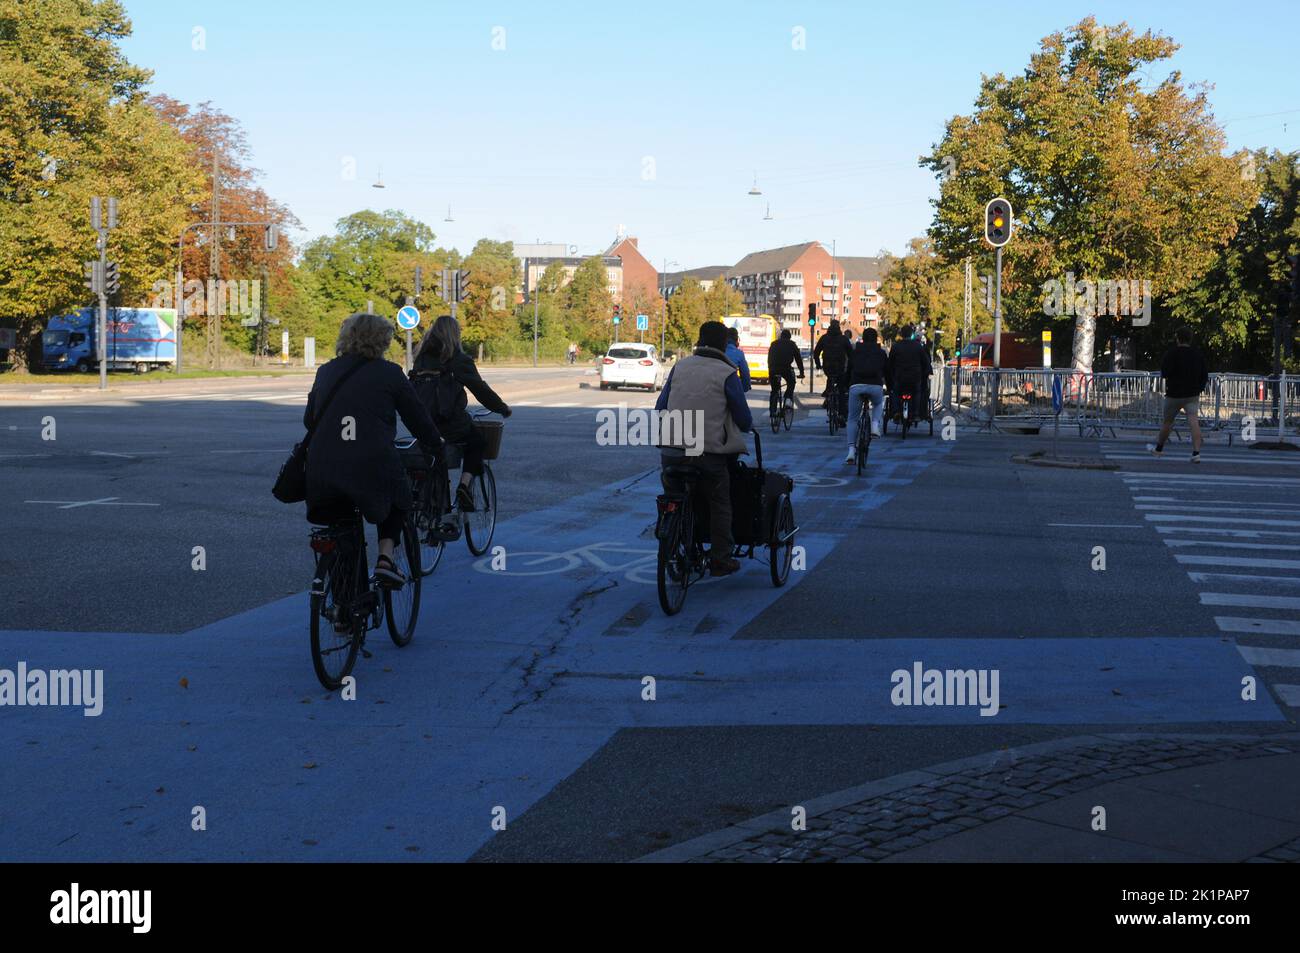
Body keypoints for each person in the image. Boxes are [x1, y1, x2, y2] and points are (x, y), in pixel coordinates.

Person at [304, 312, 442, 591]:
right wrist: (435, 444)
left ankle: (343, 614)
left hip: (322, 468)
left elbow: (310, 420)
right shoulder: (390, 373)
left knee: (340, 526)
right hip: (372, 464)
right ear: (382, 341)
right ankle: (385, 559)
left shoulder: (326, 371)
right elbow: (417, 418)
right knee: (399, 497)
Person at [656, 320, 753, 577]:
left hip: (672, 451)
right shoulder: (726, 372)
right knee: (720, 500)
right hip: (708, 454)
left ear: (699, 341)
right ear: (725, 344)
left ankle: (672, 541)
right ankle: (721, 559)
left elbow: (660, 405)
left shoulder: (680, 367)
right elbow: (743, 420)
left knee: (672, 494)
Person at [410, 315, 512, 533]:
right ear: (454, 334)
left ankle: (429, 510)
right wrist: (502, 408)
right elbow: (480, 389)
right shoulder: (458, 360)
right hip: (450, 423)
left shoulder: (421, 356)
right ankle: (464, 487)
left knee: (434, 459)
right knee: (477, 442)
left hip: (422, 424)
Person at [1149, 326, 1208, 462]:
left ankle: (1159, 449)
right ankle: (1196, 453)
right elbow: (1204, 375)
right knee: (1194, 422)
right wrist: (1199, 388)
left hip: (1174, 394)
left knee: (1167, 422)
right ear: (1190, 339)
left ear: (1177, 338)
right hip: (1192, 394)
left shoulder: (1171, 353)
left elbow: (1165, 372)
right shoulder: (1197, 354)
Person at [844, 327, 888, 463]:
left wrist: (846, 387)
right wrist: (889, 387)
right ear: (876, 339)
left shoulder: (855, 352)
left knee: (852, 419)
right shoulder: (881, 353)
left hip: (856, 386)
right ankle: (875, 424)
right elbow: (887, 371)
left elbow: (848, 370)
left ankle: (851, 451)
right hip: (875, 386)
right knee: (878, 403)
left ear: (863, 339)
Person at [885, 323, 931, 424]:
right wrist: (926, 373)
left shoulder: (896, 346)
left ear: (901, 334)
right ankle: (915, 413)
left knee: (895, 392)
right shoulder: (918, 346)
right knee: (917, 392)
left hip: (900, 377)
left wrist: (890, 376)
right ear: (911, 334)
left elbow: (890, 363)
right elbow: (925, 362)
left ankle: (896, 411)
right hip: (915, 378)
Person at [813, 319, 852, 419]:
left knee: (830, 378)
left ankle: (828, 395)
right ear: (838, 326)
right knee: (842, 391)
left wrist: (818, 365)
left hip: (827, 367)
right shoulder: (844, 339)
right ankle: (842, 415)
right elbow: (851, 354)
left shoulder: (824, 338)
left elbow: (816, 353)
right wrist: (851, 367)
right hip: (840, 368)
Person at [766, 329, 805, 417]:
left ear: (781, 336)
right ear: (789, 337)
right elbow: (798, 359)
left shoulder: (774, 344)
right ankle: (787, 399)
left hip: (773, 369)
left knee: (774, 390)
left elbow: (769, 358)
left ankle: (772, 411)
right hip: (786, 368)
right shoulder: (792, 344)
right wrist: (801, 372)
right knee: (791, 382)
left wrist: (770, 370)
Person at [725, 326, 752, 392]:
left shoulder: (718, 350)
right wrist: (745, 388)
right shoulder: (738, 353)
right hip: (730, 388)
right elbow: (745, 373)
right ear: (737, 339)